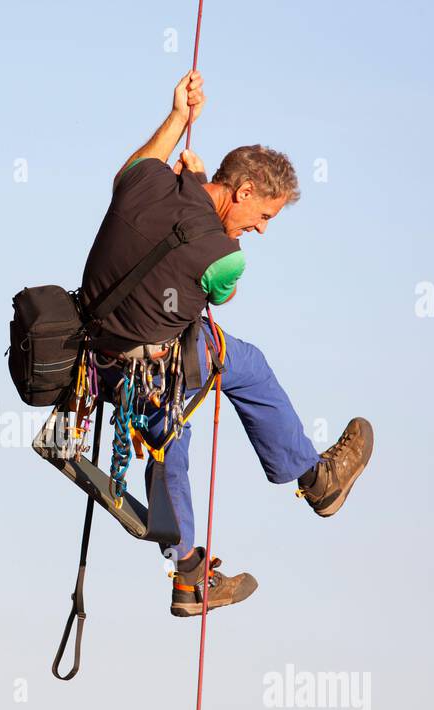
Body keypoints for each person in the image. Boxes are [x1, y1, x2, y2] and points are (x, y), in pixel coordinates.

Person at [80, 70, 373, 618]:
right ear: (241, 192)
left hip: (96, 359)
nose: (261, 229)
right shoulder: (227, 256)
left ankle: (189, 576)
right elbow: (223, 290)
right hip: (158, 364)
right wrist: (194, 188)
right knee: (247, 366)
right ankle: (318, 482)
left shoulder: (141, 184)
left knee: (170, 434)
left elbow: (138, 167)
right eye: (262, 215)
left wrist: (178, 119)